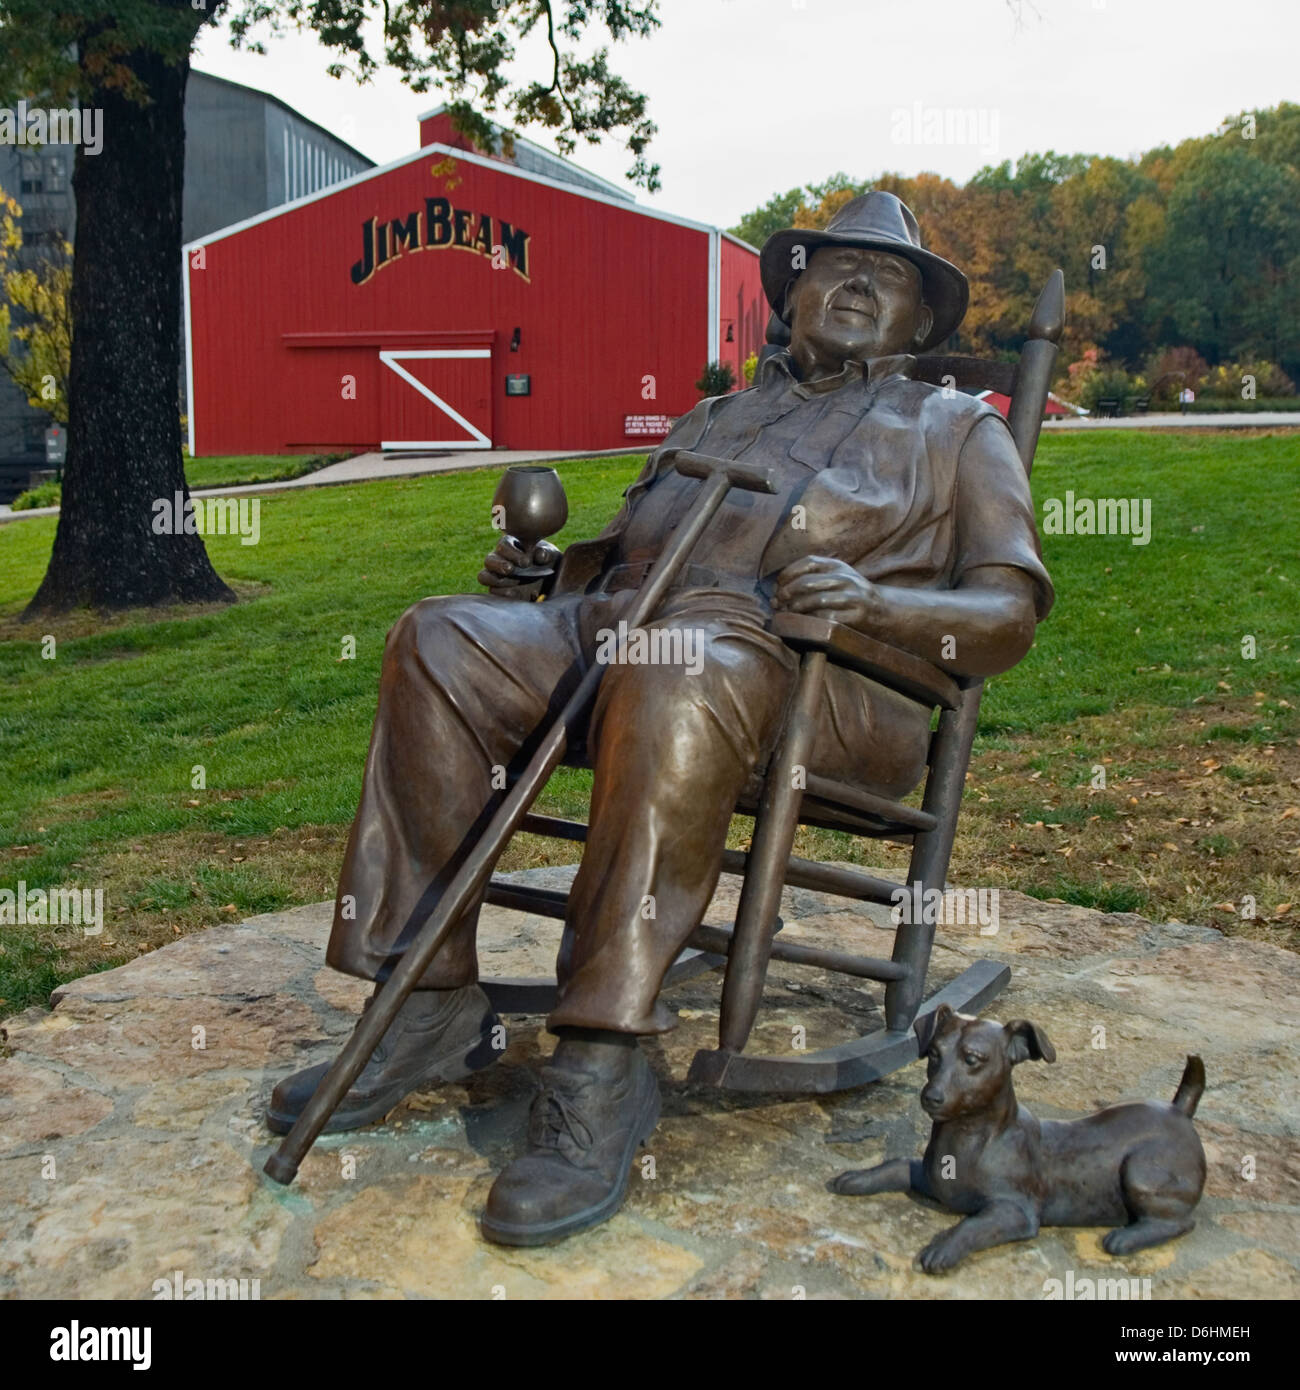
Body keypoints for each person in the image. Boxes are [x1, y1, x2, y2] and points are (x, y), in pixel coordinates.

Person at [266, 192, 1054, 1246]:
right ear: (792, 291)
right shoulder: (716, 414)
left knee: (676, 661)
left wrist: (878, 603)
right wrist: (550, 574)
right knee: (438, 638)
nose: (862, 284)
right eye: (836, 266)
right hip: (632, 632)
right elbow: (634, 557)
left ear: (920, 323)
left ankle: (598, 1060)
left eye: (895, 278)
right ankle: (427, 1003)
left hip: (823, 677)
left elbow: (1005, 615)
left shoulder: (956, 430)